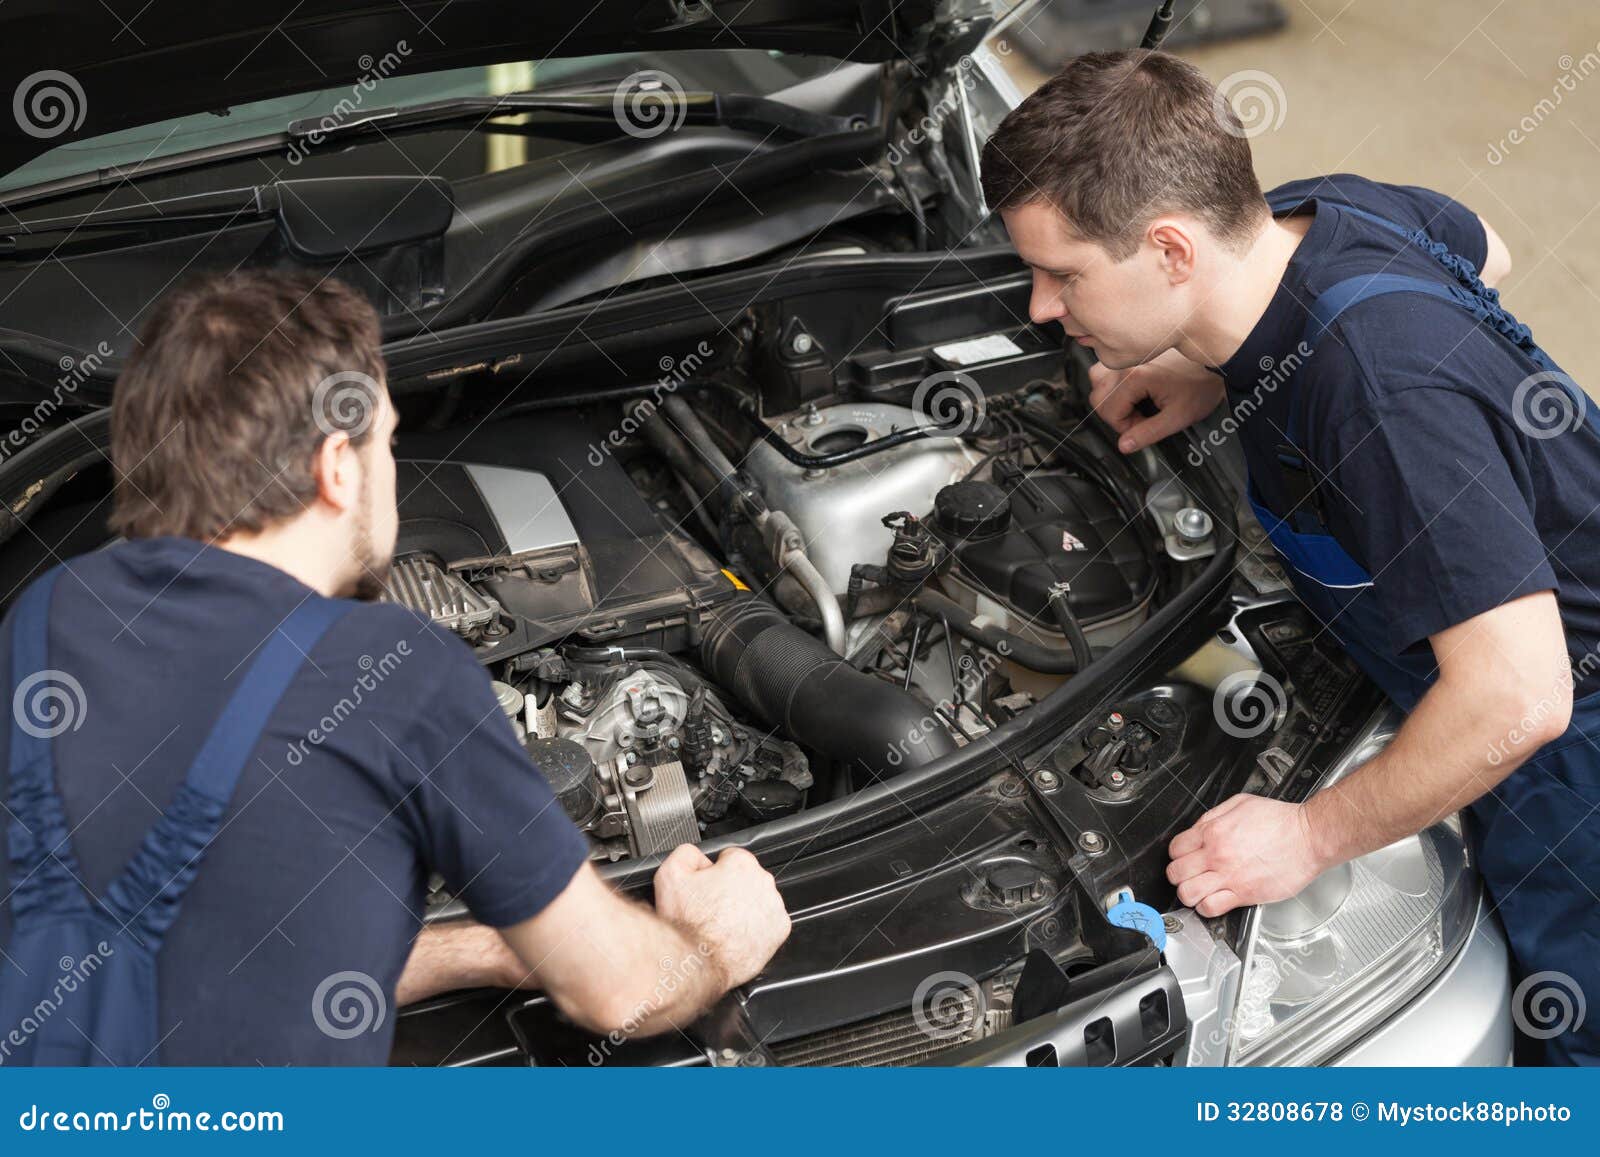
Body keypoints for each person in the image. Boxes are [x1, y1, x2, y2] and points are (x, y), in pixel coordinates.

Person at [0, 271, 790, 1065]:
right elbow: (616, 991)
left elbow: (218, 942)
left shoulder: (39, 624)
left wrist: (492, 948)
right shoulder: (393, 670)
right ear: (337, 465)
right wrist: (714, 943)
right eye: (388, 441)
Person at [980, 49, 1596, 1065]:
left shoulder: (1378, 395)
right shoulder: (1322, 213)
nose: (1044, 306)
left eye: (1064, 274)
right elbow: (1485, 249)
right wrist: (1211, 364)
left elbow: (1520, 700)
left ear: (1173, 249)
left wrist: (1307, 836)